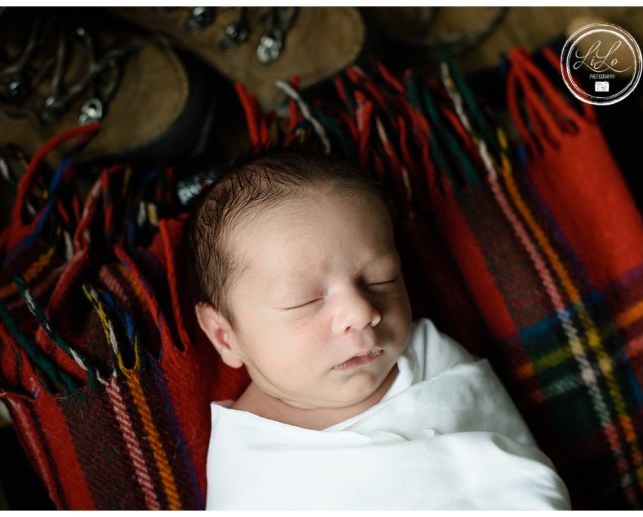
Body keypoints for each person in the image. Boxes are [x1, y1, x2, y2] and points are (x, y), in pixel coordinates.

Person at [187, 151, 570, 510]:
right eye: (305, 300)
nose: (363, 311)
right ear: (224, 336)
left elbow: (519, 480)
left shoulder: (430, 361)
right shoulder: (246, 467)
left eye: (381, 279)